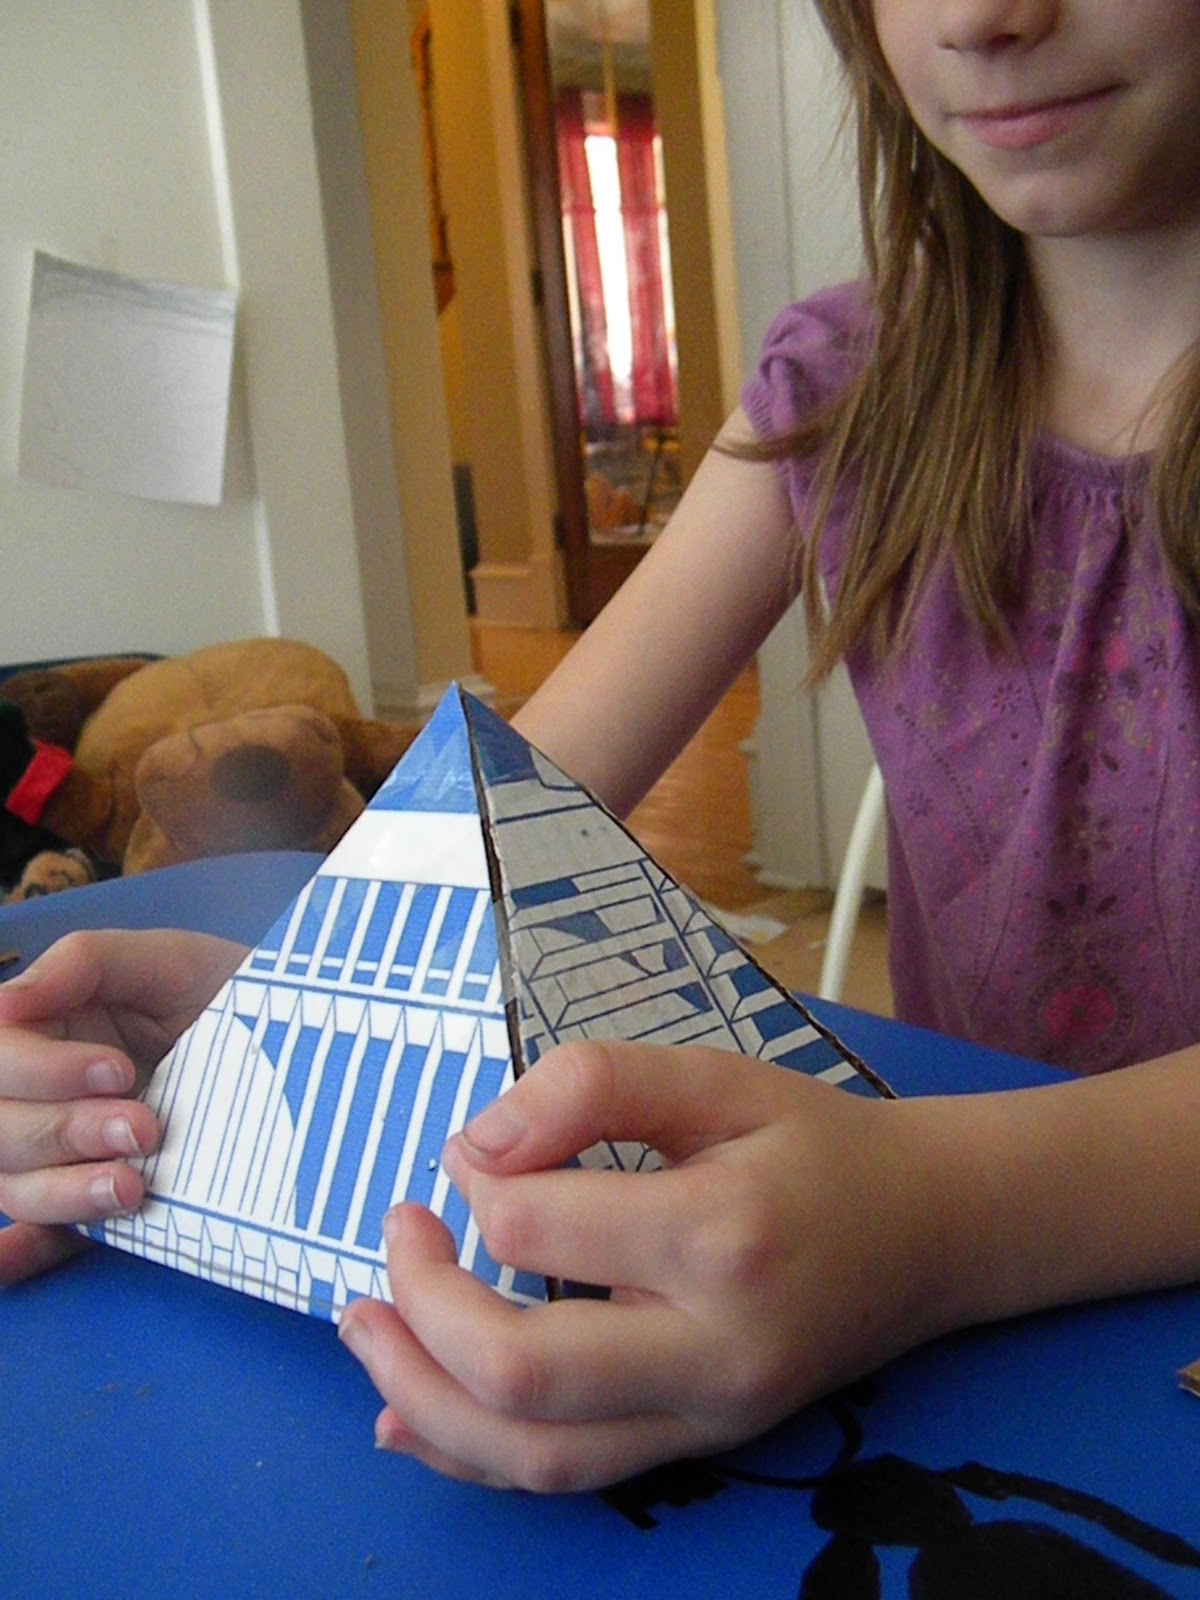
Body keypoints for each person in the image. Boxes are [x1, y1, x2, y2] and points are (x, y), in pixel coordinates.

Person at [4, 0, 1200, 1494]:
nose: (981, 14)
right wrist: (273, 1018)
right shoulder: (844, 388)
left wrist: (941, 1221)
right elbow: (502, 817)